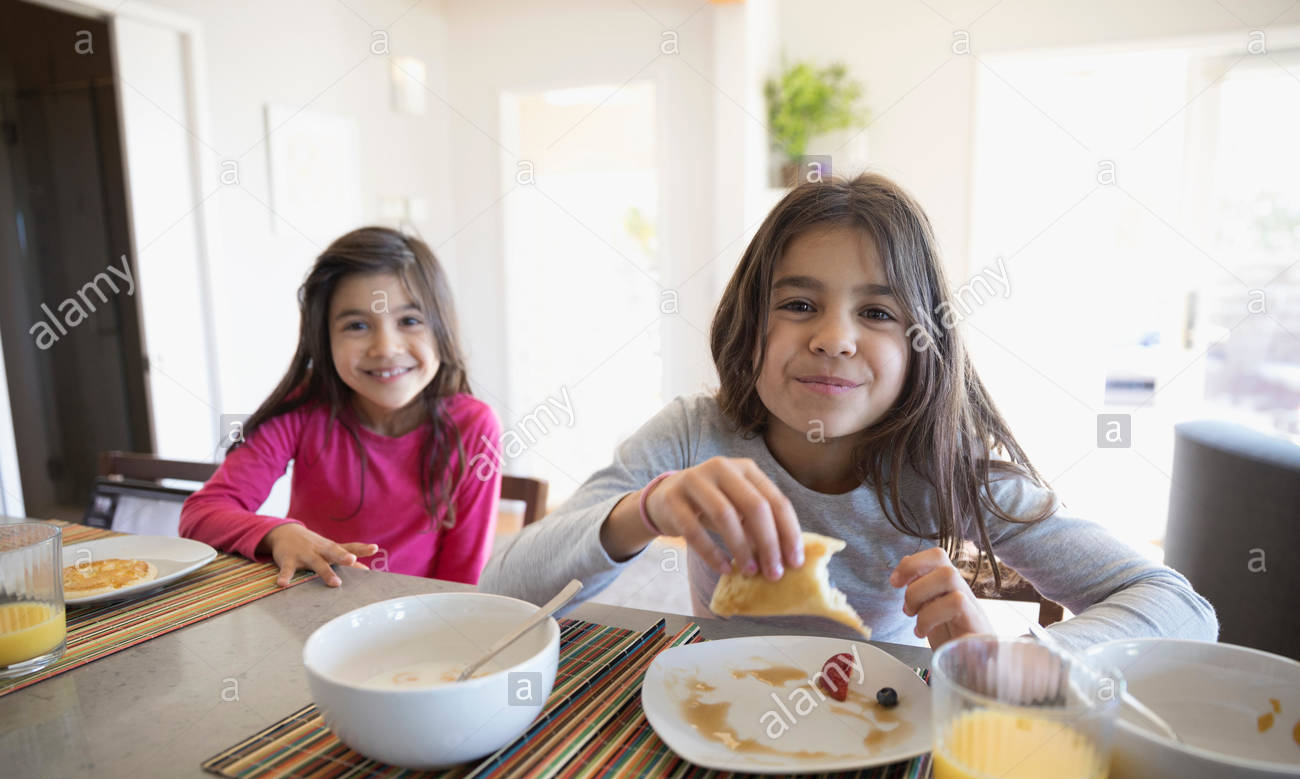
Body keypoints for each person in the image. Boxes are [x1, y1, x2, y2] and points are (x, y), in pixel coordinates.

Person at [480, 174, 1216, 649]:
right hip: (711, 710)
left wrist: (1021, 660)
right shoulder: (692, 435)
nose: (833, 339)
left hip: (878, 720)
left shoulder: (944, 472)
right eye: (799, 304)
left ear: (924, 343)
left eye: (877, 312)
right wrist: (642, 510)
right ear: (749, 325)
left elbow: (1178, 607)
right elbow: (502, 589)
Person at [180, 227, 501, 587]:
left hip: (421, 624)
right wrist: (278, 534)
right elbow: (201, 514)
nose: (385, 348)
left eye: (409, 321)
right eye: (358, 325)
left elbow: (461, 580)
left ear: (443, 328)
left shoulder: (473, 425)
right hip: (310, 614)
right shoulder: (302, 409)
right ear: (323, 339)